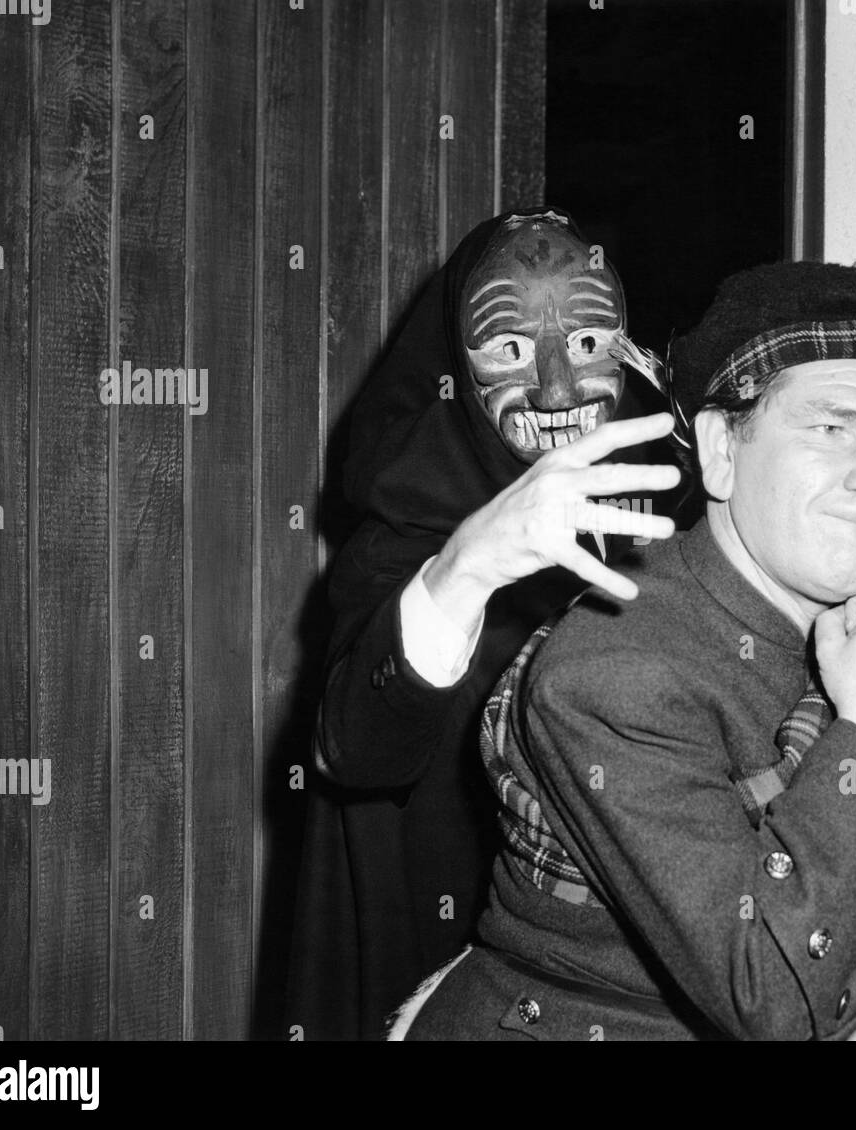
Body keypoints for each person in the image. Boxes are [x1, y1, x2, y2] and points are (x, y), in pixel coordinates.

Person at [398, 261, 856, 1040]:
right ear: (720, 450)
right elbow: (773, 997)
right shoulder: (617, 672)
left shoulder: (829, 642)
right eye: (831, 427)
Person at [286, 208, 687, 1040]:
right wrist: (466, 570)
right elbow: (355, 751)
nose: (556, 388)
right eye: (508, 349)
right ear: (455, 375)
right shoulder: (404, 527)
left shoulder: (669, 510)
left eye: (585, 346)